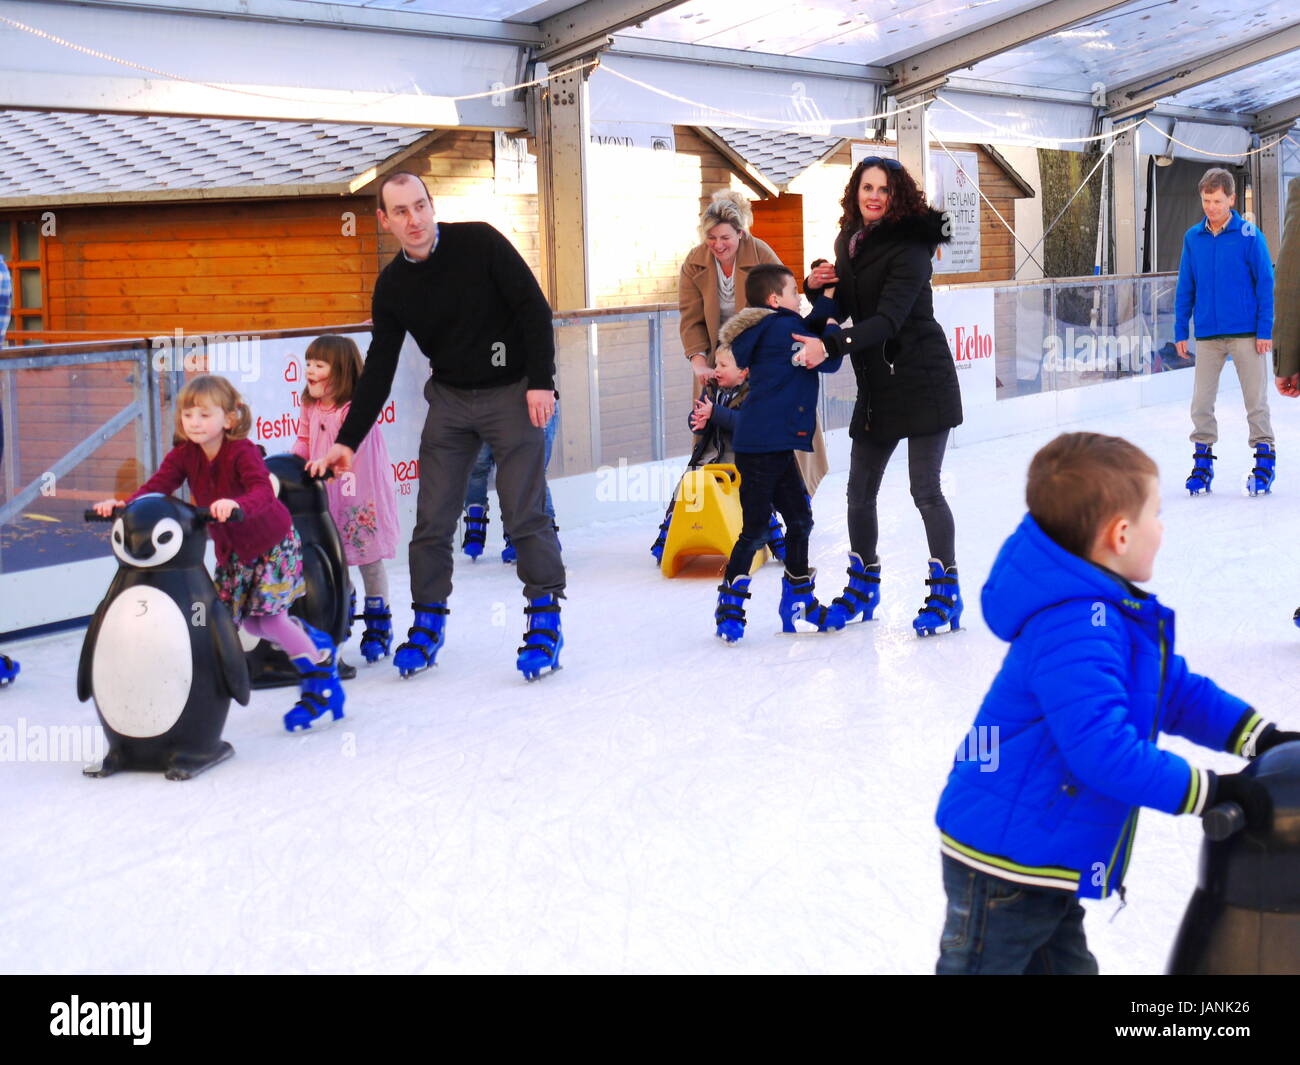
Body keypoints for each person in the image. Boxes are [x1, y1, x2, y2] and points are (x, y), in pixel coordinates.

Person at [934, 432, 1296, 975]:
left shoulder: (1108, 612)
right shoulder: (1077, 625)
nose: (1162, 527)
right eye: (1156, 513)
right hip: (1005, 867)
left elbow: (1175, 692)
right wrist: (1213, 791)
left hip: (1040, 857)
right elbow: (1102, 751)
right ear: (1121, 535)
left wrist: (1258, 736)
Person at [308, 171, 564, 681]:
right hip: (449, 400)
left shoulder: (480, 242)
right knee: (432, 521)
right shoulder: (395, 284)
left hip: (513, 392)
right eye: (400, 211)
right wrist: (346, 441)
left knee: (523, 512)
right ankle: (427, 622)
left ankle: (544, 621)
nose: (414, 219)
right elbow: (378, 366)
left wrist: (541, 380)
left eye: (420, 206)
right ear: (385, 221)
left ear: (431, 205)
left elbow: (532, 309)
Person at [94, 375, 345, 732]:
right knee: (247, 622)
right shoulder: (184, 455)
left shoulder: (240, 452)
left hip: (271, 545)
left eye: (204, 415)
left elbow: (262, 492)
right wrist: (123, 505)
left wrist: (236, 503)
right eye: (188, 415)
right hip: (233, 551)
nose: (194, 423)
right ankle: (312, 641)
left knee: (269, 620)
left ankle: (320, 678)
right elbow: (157, 489)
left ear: (228, 419)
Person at [799, 156, 964, 637]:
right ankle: (863, 586)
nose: (873, 196)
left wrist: (831, 344)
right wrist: (818, 291)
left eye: (884, 190)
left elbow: (888, 319)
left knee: (925, 490)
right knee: (858, 492)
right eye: (866, 187)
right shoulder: (848, 241)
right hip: (878, 384)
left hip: (922, 378)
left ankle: (945, 591)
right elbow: (852, 305)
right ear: (855, 192)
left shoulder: (911, 247)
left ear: (898, 198)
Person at [712, 264, 842, 642]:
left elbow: (809, 323)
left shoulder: (767, 329)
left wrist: (828, 297)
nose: (799, 301)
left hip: (769, 444)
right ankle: (730, 607)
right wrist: (832, 325)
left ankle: (798, 601)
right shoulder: (784, 329)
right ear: (775, 300)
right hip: (763, 445)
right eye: (794, 294)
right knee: (755, 529)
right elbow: (828, 359)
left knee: (799, 520)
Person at [679, 189, 830, 501]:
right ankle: (719, 504)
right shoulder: (695, 262)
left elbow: (786, 304)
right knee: (715, 428)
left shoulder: (761, 254)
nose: (718, 245)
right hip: (718, 361)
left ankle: (789, 503)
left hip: (764, 354)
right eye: (711, 238)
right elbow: (690, 316)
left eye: (725, 238)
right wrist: (699, 363)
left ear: (740, 232)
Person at [292, 335, 399, 663]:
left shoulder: (355, 408)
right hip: (325, 498)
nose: (310, 370)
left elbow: (356, 449)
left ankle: (378, 618)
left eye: (319, 365)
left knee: (366, 556)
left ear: (339, 371)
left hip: (357, 495)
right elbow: (303, 440)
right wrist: (292, 465)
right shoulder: (310, 404)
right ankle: (344, 606)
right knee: (333, 557)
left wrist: (328, 466)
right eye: (308, 363)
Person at [1175, 167, 1276, 496]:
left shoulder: (1249, 235)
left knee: (1255, 401)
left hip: (1246, 333)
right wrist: (1181, 330)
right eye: (1206, 200)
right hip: (1207, 334)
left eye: (1217, 201)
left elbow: (1266, 283)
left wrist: (1264, 329)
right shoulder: (1193, 238)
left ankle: (1265, 460)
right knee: (1201, 402)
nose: (1211, 207)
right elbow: (1185, 286)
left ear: (1231, 199)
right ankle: (1203, 463)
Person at [650, 347, 755, 564]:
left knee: (756, 496)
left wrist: (715, 413)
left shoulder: (753, 393)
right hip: (708, 460)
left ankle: (773, 537)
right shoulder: (711, 390)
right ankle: (668, 534)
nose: (716, 370)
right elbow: (699, 416)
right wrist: (698, 422)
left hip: (739, 462)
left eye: (723, 366)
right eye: (715, 364)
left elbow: (748, 424)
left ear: (743, 371)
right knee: (684, 489)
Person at [461, 406, 559, 564]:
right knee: (477, 466)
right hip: (485, 404)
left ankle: (539, 533)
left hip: (526, 405)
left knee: (526, 472)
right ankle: (477, 522)